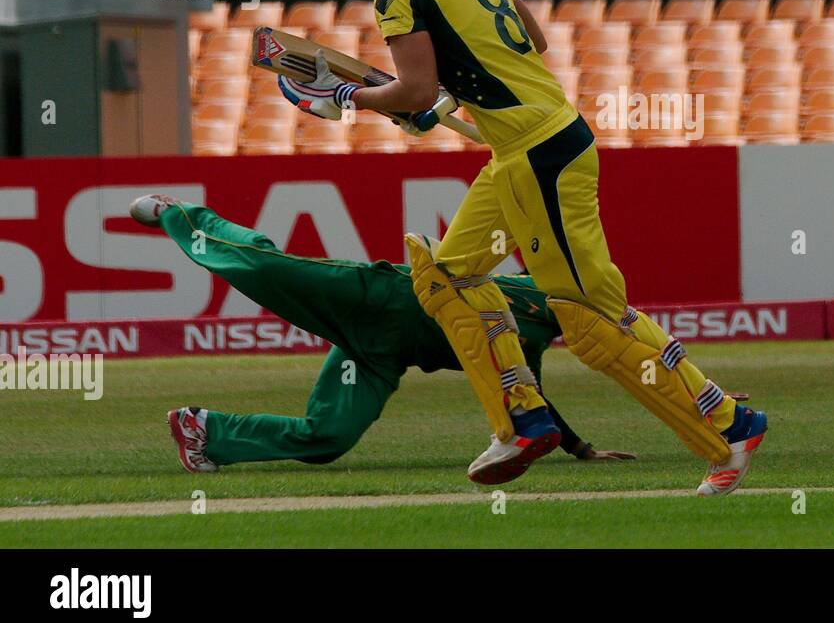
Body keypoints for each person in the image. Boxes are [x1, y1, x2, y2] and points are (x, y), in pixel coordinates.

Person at [277, 0, 767, 494]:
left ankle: (728, 425)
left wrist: (348, 98)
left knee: (590, 319)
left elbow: (416, 87)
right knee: (446, 279)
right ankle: (522, 418)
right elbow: (530, 42)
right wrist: (446, 96)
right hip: (526, 148)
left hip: (541, 155)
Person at [129, 195, 634, 477]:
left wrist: (580, 448)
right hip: (377, 297)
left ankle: (203, 430)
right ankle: (180, 214)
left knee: (328, 438)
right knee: (264, 267)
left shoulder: (532, 343)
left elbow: (531, 400)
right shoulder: (535, 290)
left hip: (380, 355)